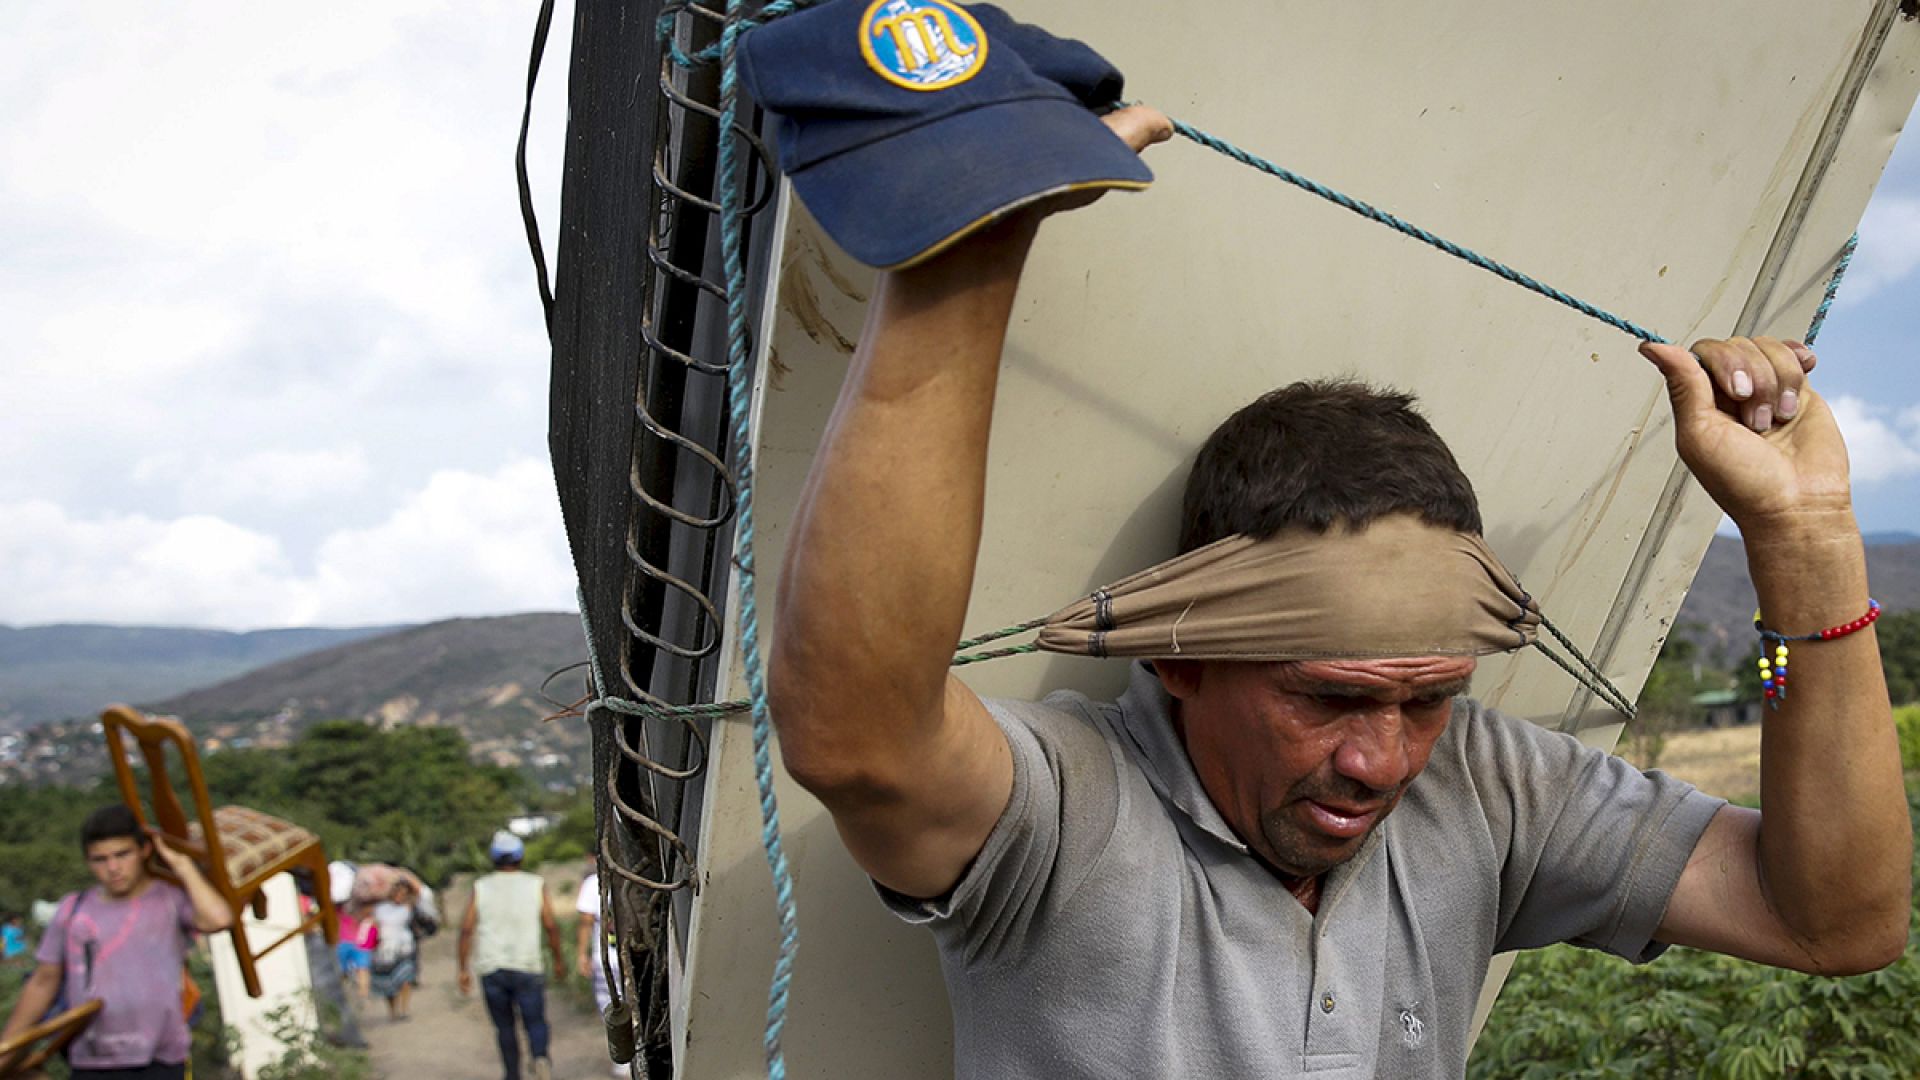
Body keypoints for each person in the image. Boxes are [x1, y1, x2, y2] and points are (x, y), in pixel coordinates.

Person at [755, 10, 1911, 1076]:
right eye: (1331, 696)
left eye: (1427, 701)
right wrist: (968, 244)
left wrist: (1801, 540)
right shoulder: (1067, 815)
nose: (1384, 762)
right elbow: (859, 740)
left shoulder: (1491, 791)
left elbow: (1837, 920)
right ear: (1180, 654)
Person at [0, 805, 233, 1079]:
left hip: (160, 1059)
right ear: (88, 862)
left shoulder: (169, 899)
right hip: (92, 1060)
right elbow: (42, 982)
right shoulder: (74, 909)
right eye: (100, 859)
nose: (113, 868)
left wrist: (180, 864)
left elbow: (218, 919)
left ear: (144, 850)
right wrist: (6, 1052)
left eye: (122, 855)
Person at [459, 831, 565, 1080]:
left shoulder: (481, 887)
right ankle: (540, 1058)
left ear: (493, 858)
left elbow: (466, 929)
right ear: (520, 857)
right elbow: (550, 925)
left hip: (492, 966)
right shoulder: (535, 884)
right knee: (535, 1021)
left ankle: (512, 1074)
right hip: (527, 964)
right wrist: (559, 960)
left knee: (505, 1027)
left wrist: (463, 968)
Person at [574, 854, 625, 1078]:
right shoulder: (634, 882)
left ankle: (622, 1060)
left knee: (610, 1008)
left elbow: (585, 922)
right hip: (627, 959)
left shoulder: (592, 883)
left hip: (605, 961)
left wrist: (581, 954)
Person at [367, 878, 422, 1021]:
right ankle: (393, 1011)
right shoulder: (380, 908)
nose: (400, 896)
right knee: (388, 984)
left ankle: (404, 1009)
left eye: (403, 894)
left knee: (405, 979)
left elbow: (419, 892)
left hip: (404, 948)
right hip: (385, 950)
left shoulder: (408, 907)